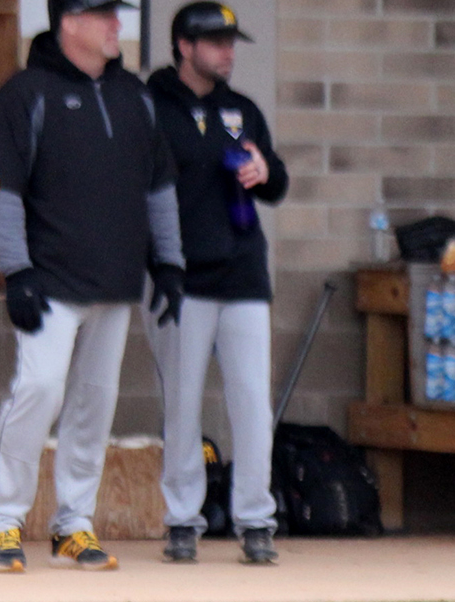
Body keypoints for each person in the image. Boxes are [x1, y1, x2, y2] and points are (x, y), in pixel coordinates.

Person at [0, 0, 183, 574]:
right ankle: (2, 521)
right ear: (69, 22)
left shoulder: (136, 97)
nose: (118, 24)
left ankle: (74, 524)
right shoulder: (25, 94)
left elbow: (158, 186)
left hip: (116, 283)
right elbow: (2, 190)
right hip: (48, 282)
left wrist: (169, 262)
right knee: (39, 389)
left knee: (95, 403)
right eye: (104, 15)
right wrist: (16, 272)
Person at [146, 1, 288, 566]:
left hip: (244, 273)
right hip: (182, 277)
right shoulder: (152, 105)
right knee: (181, 404)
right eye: (216, 42)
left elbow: (275, 181)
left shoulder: (243, 109)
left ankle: (256, 519)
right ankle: (183, 519)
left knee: (252, 402)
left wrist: (265, 171)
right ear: (184, 45)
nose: (228, 52)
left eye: (232, 42)